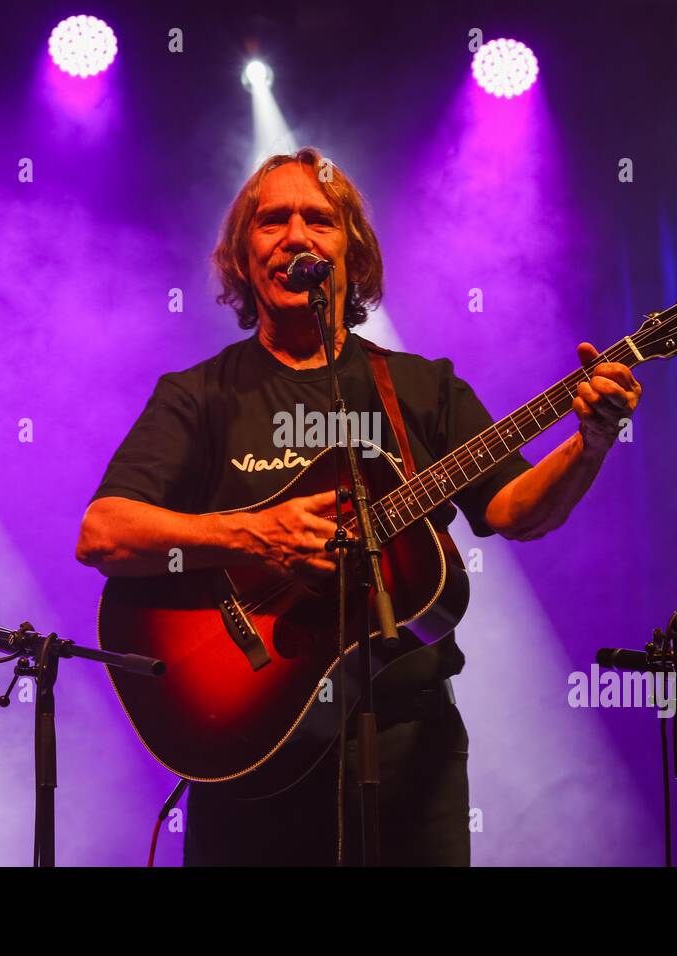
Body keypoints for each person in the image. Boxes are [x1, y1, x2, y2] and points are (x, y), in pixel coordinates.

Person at [76, 147, 641, 865]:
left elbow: (514, 511)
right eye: (271, 220)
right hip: (250, 745)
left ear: (353, 254)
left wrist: (589, 443)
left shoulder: (419, 388)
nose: (296, 236)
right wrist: (254, 535)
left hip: (409, 744)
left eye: (319, 219)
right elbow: (103, 533)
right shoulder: (200, 394)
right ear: (243, 258)